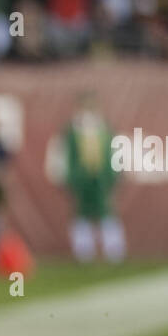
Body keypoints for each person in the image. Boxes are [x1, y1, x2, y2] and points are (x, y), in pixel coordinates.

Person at [61, 91, 124, 263]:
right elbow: (66, 156)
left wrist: (113, 175)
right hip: (81, 179)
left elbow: (113, 154)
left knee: (106, 212)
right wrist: (70, 178)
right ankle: (83, 252)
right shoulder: (71, 132)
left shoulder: (104, 129)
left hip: (101, 178)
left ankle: (114, 251)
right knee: (81, 215)